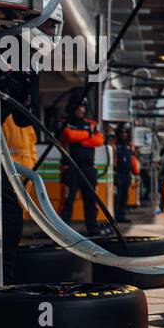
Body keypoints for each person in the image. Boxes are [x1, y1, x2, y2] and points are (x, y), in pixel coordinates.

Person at [0, 81, 37, 282]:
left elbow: (32, 148)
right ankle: (6, 273)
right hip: (7, 170)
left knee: (17, 215)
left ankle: (9, 267)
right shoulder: (4, 118)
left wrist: (30, 170)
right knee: (12, 216)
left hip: (24, 175)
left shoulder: (25, 122)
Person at [58, 99, 105, 236]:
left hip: (89, 169)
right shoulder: (64, 122)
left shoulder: (91, 123)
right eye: (78, 106)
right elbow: (69, 136)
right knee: (67, 202)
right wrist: (88, 136)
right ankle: (63, 232)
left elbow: (99, 140)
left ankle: (93, 230)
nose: (81, 109)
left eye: (83, 106)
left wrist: (80, 139)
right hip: (70, 169)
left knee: (91, 201)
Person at [111, 124, 139, 223]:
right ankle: (114, 216)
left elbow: (133, 159)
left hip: (127, 174)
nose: (124, 134)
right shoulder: (114, 144)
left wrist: (136, 174)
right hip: (118, 173)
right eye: (122, 132)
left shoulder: (130, 145)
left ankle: (121, 216)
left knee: (124, 195)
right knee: (116, 196)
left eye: (125, 132)